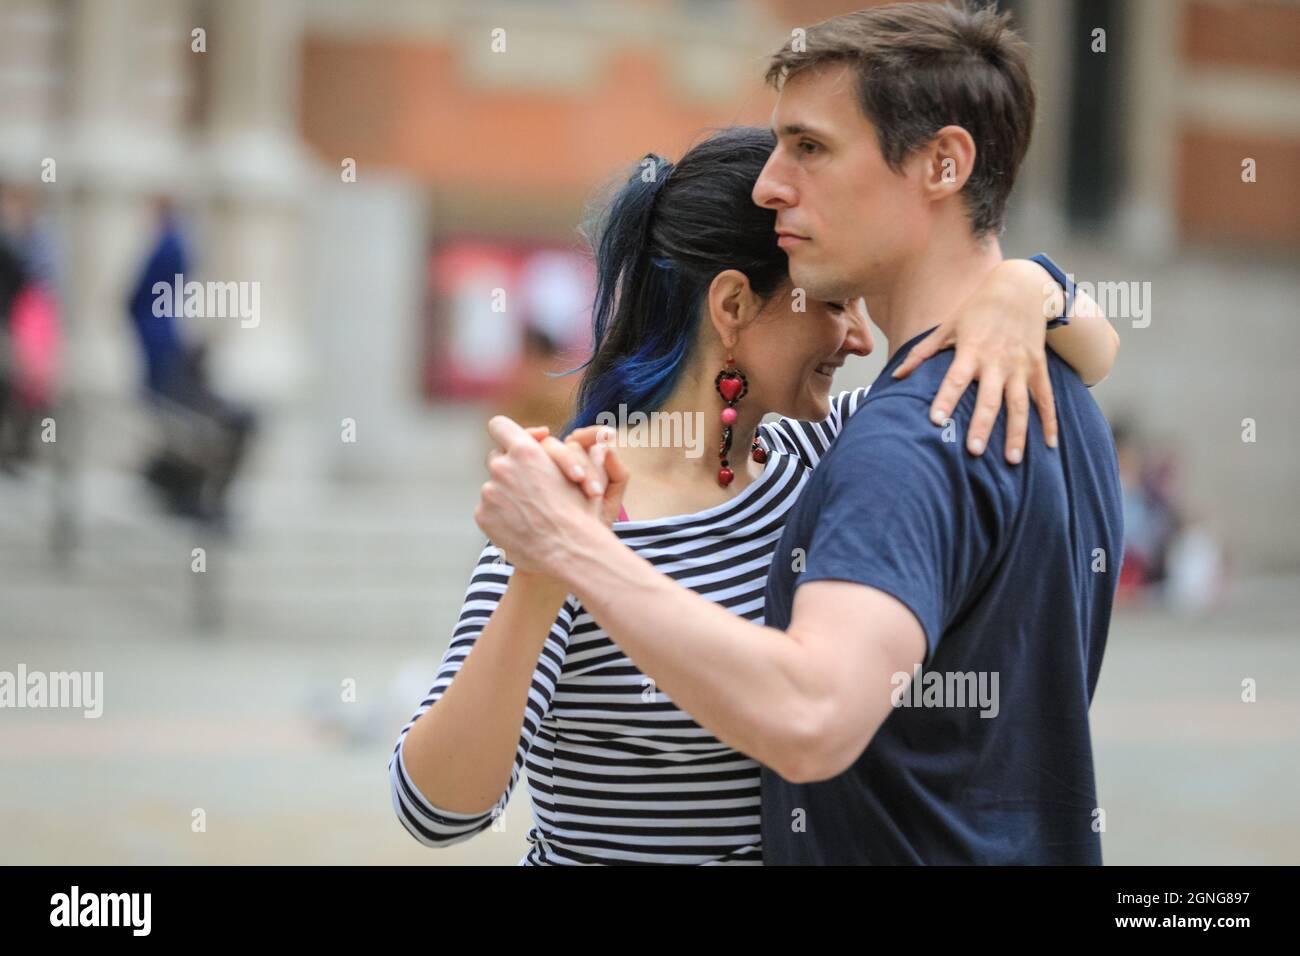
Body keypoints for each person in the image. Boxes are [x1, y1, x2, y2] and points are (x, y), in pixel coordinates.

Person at [471, 3, 1124, 865]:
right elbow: (441, 804)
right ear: (732, 308)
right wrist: (1028, 288)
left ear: (943, 163)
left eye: (810, 147)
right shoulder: (1057, 392)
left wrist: (572, 550)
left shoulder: (896, 442)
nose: (774, 183)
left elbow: (811, 715)